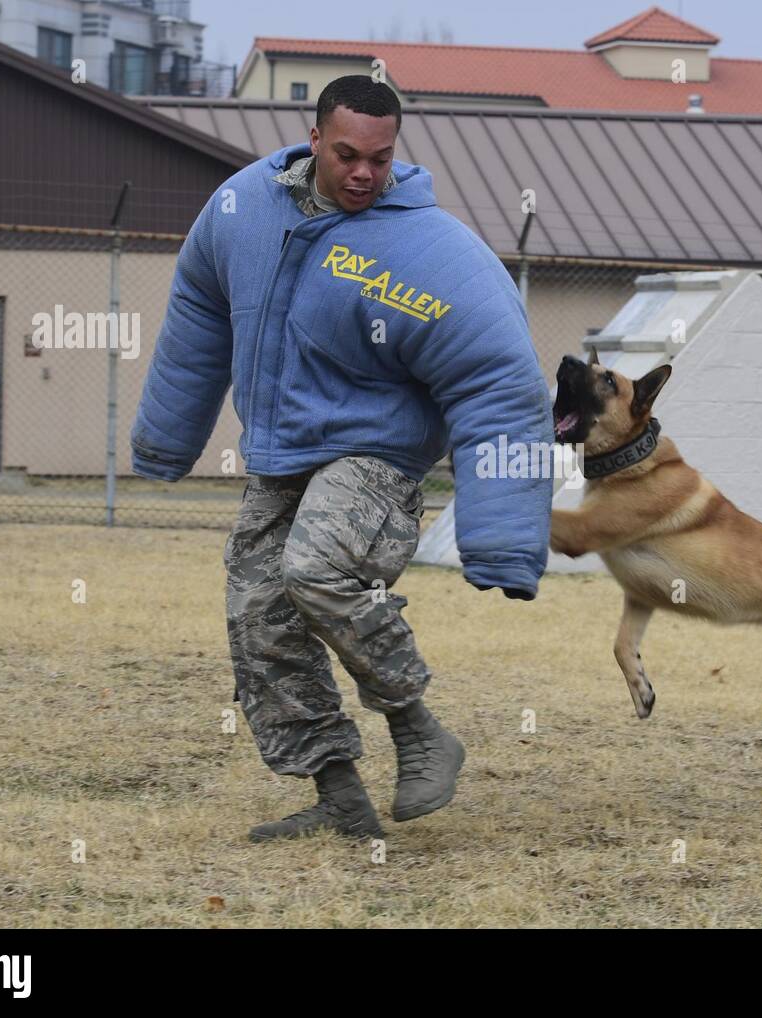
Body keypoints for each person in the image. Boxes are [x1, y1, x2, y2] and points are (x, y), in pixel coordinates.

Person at [130, 75, 553, 842]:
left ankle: (418, 727)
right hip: (280, 451)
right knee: (260, 617)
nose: (364, 173)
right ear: (315, 138)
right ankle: (339, 797)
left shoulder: (429, 253)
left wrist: (504, 535)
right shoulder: (243, 209)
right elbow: (198, 302)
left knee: (315, 568)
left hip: (376, 454)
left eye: (382, 160)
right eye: (350, 155)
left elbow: (499, 382)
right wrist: (167, 434)